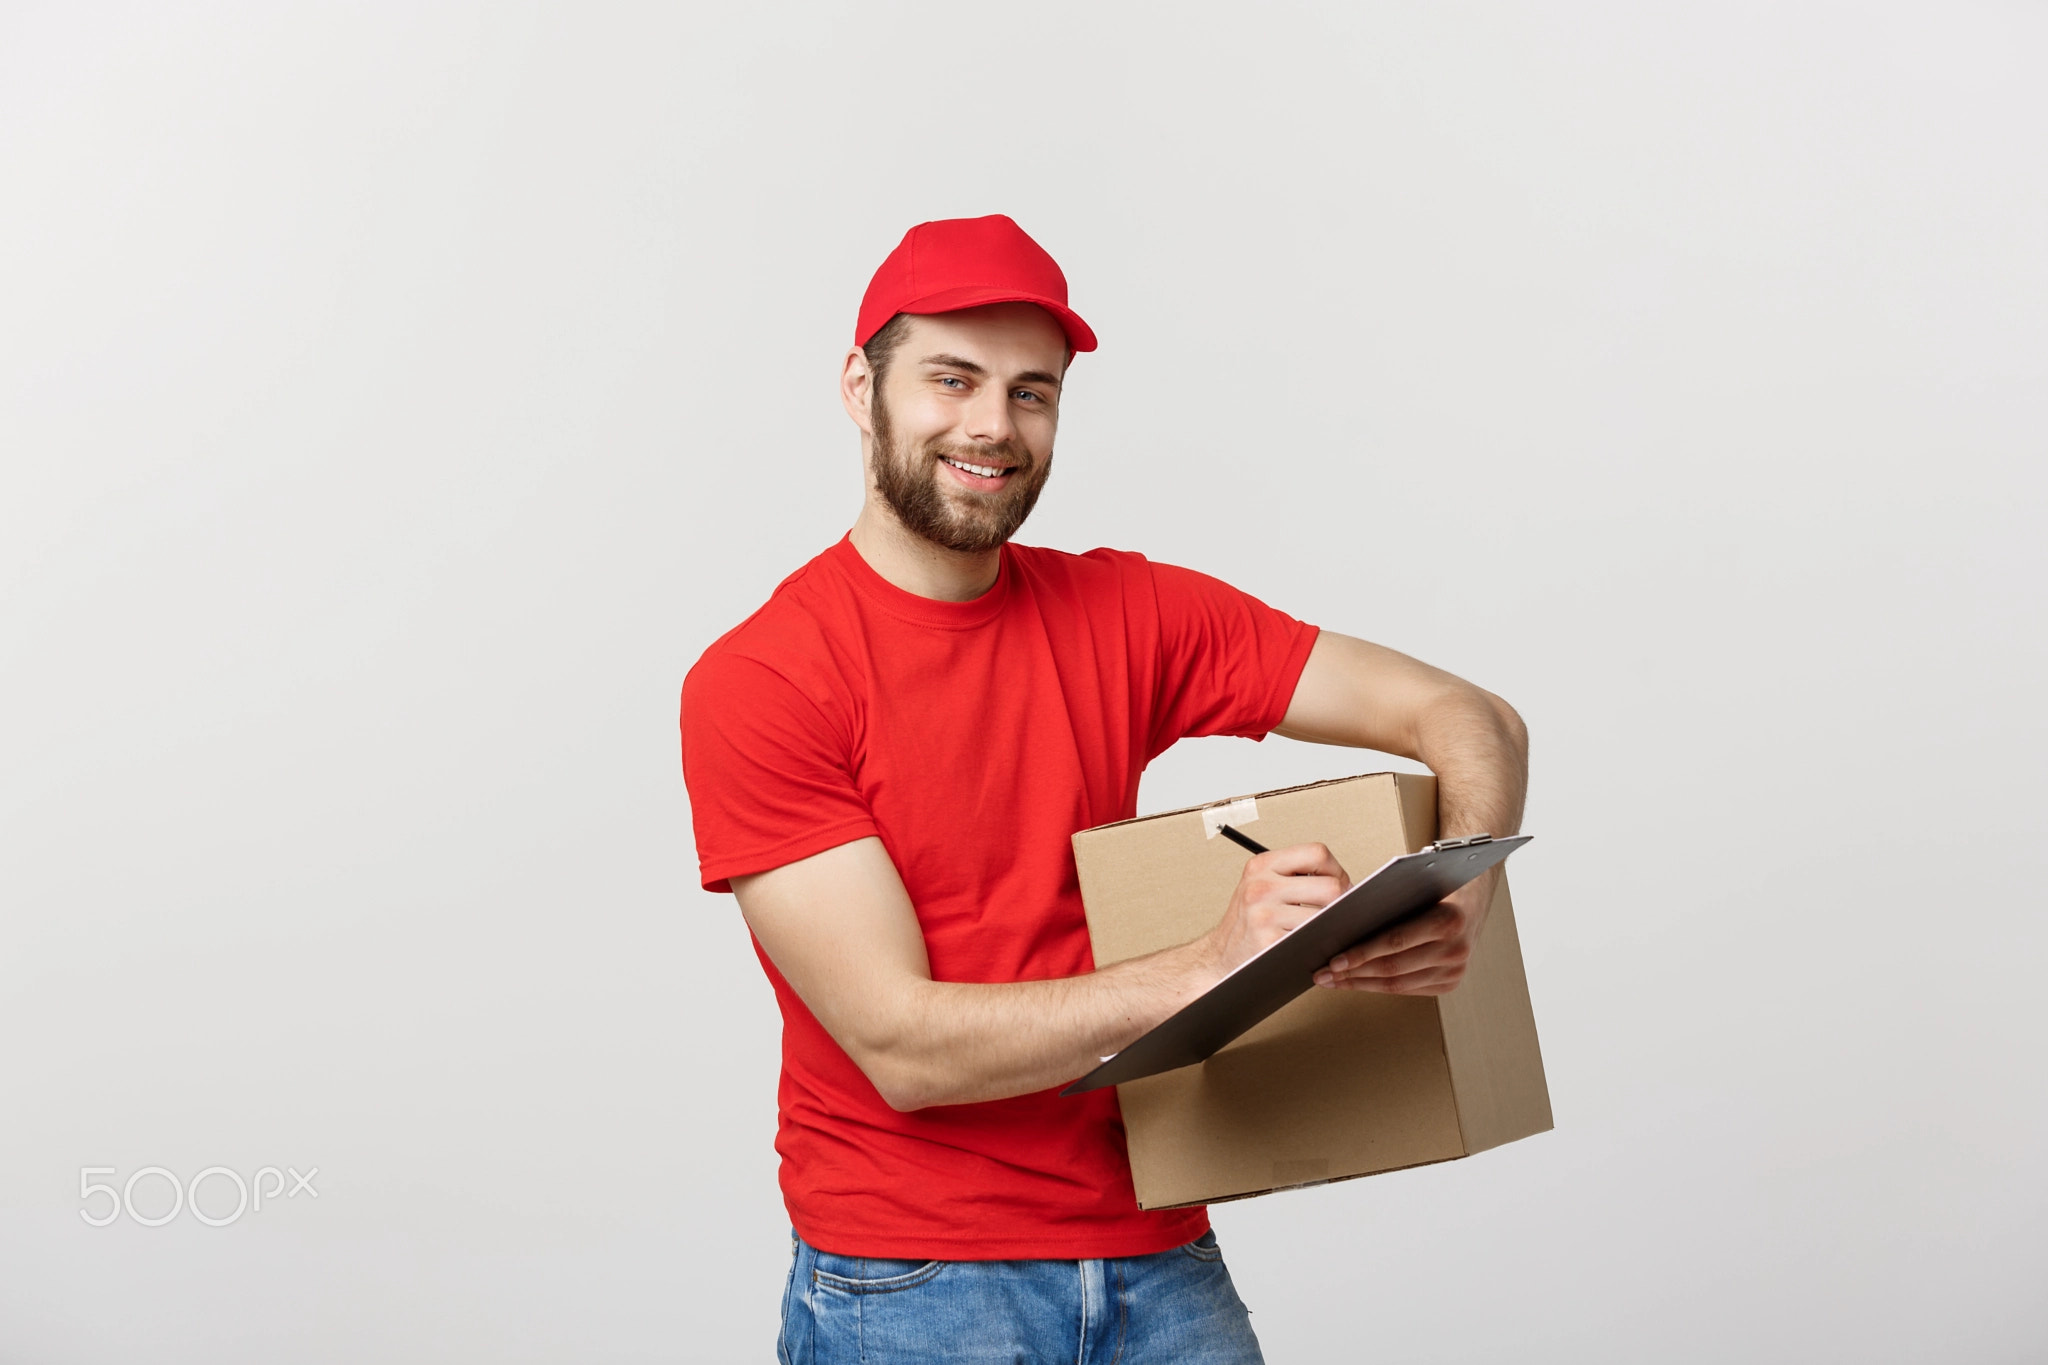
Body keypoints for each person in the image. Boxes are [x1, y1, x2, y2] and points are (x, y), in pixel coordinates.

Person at [680, 214, 1528, 1363]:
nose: (991, 425)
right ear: (858, 388)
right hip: (911, 1283)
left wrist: (1459, 890)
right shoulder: (765, 679)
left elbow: (1467, 716)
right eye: (950, 378)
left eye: (1031, 392)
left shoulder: (1125, 615)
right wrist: (1217, 960)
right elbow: (903, 1048)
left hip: (1157, 1252)